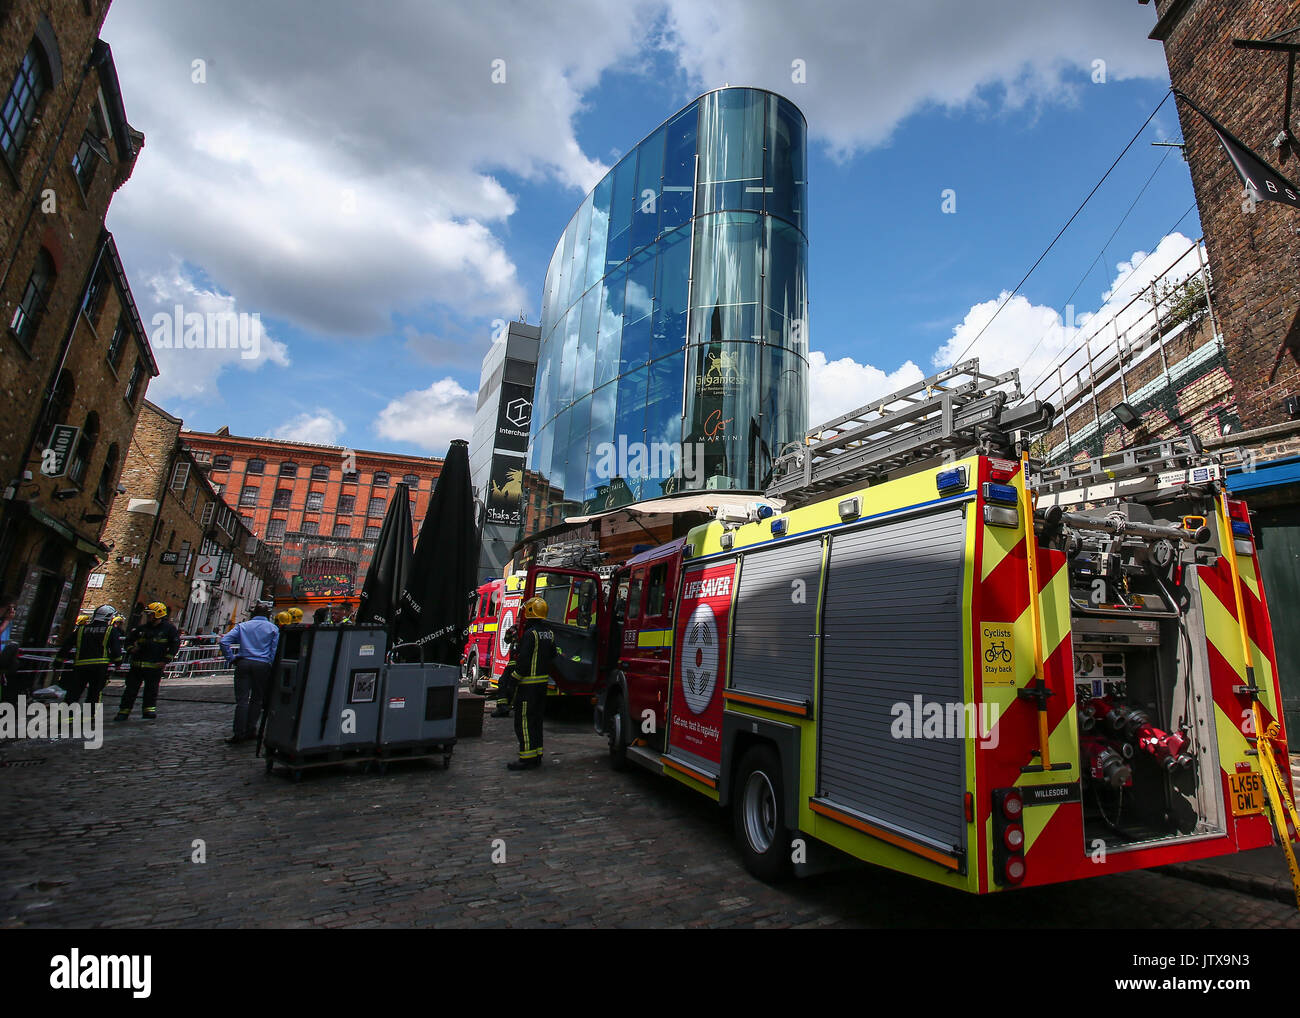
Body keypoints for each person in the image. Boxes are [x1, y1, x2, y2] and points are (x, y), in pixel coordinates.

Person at [501, 597, 557, 771]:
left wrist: (513, 682)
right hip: (542, 686)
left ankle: (527, 758)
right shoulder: (550, 633)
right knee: (536, 721)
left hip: (528, 687)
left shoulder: (530, 634)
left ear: (530, 612)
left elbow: (523, 662)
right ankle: (537, 754)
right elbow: (553, 656)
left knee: (524, 722)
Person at [219, 601, 279, 745]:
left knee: (242, 701)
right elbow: (274, 650)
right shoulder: (273, 628)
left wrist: (231, 658)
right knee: (257, 699)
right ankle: (251, 729)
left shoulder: (243, 626)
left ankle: (238, 733)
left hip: (244, 662)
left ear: (253, 613)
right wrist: (269, 663)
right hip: (262, 664)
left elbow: (224, 641)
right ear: (268, 615)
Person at [115, 602, 179, 721]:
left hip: (154, 666)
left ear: (158, 615)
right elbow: (129, 641)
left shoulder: (169, 629)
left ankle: (148, 711)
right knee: (130, 690)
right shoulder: (142, 628)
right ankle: (123, 711)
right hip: (137, 665)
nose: (148, 617)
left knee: (151, 690)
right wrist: (131, 650)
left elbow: (175, 645)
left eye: (150, 614)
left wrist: (166, 660)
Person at [58, 605, 123, 704]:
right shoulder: (110, 630)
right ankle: (88, 717)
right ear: (108, 617)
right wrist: (118, 662)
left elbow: (66, 646)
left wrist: (58, 661)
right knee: (94, 694)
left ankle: (66, 717)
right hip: (99, 667)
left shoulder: (81, 630)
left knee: (74, 692)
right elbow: (115, 649)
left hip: (80, 665)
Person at [489, 624, 517, 719]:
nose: (517, 619)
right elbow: (507, 640)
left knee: (507, 684)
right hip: (513, 662)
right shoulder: (515, 628)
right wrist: (508, 632)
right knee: (505, 683)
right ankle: (503, 707)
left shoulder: (525, 630)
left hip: (517, 663)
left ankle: (503, 707)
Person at [0, 600, 21, 706]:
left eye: (14, 609)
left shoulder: (8, 622)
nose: (12, 612)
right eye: (9, 609)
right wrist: (7, 620)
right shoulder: (5, 621)